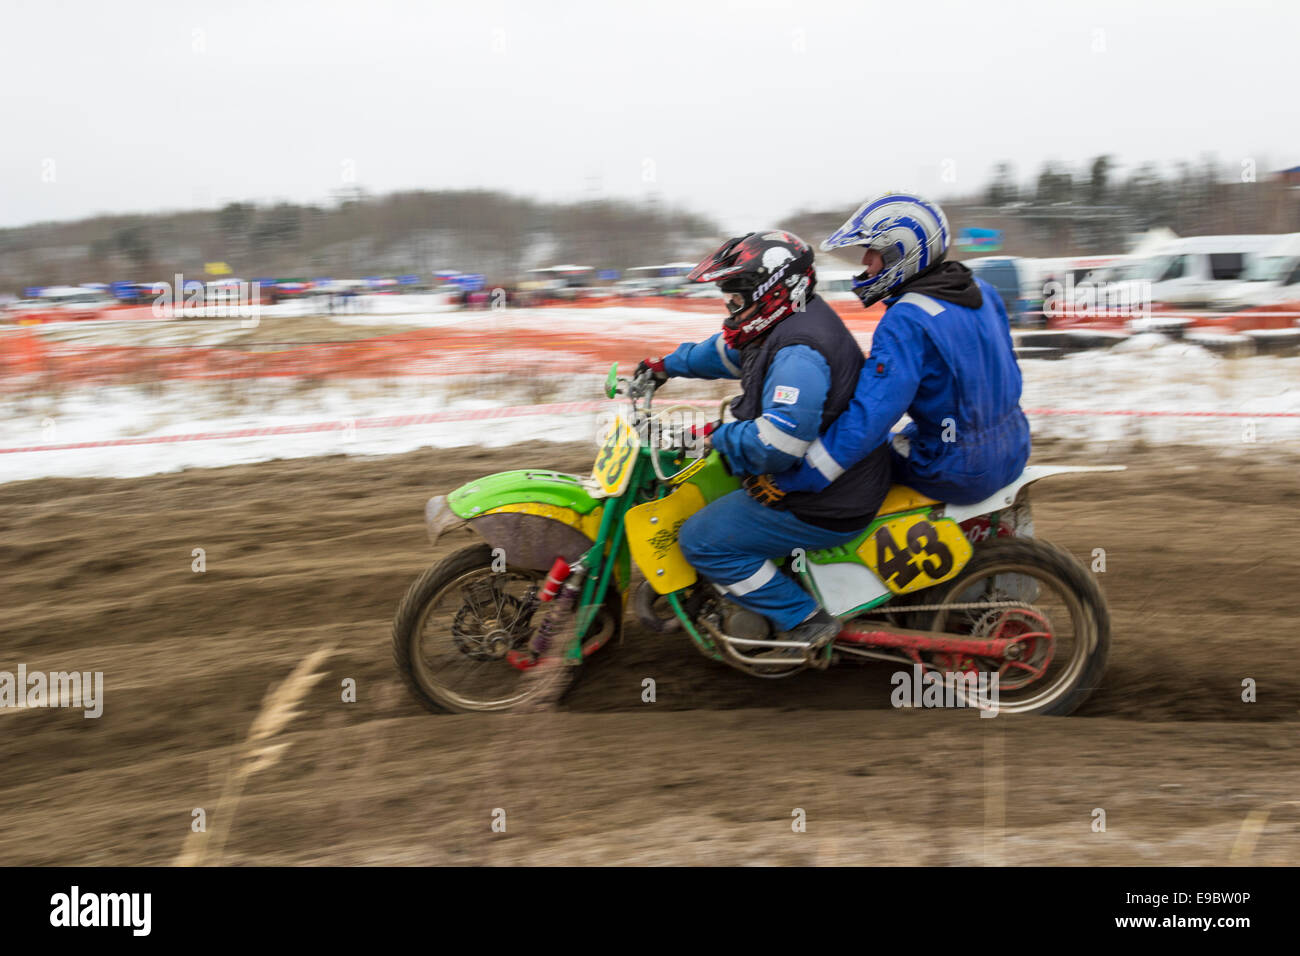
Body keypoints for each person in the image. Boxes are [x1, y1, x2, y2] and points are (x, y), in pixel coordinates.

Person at [637, 231, 891, 650]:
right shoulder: (786, 318)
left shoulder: (799, 351)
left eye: (736, 297)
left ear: (771, 291)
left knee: (702, 540)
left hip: (824, 497)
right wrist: (666, 365)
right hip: (832, 477)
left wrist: (711, 436)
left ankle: (802, 617)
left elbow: (778, 443)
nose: (731, 307)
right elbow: (732, 352)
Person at [768, 193, 1031, 506]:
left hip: (959, 470)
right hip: (1015, 445)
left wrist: (796, 478)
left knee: (859, 464)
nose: (865, 261)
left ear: (901, 254)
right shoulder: (982, 290)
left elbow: (871, 417)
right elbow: (1009, 372)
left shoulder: (906, 320)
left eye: (873, 250)